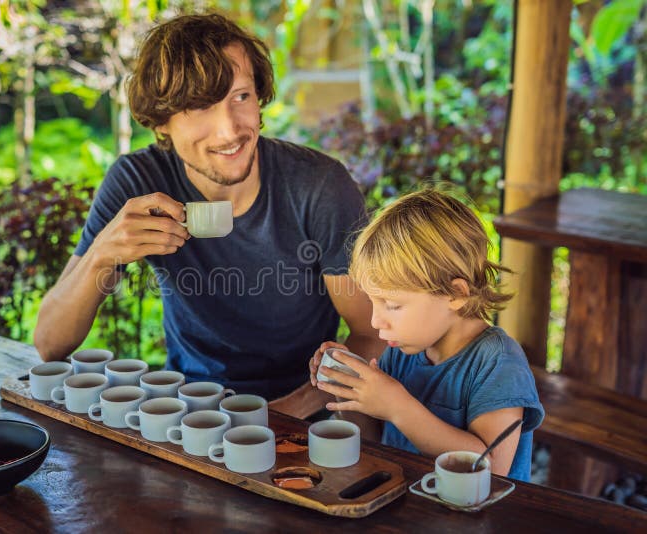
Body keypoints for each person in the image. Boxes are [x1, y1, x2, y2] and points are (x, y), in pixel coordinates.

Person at [34, 13, 384, 417]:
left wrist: (286, 413)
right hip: (187, 412)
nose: (229, 130)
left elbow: (370, 333)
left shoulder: (319, 186)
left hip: (302, 411)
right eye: (200, 107)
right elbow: (49, 343)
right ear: (161, 122)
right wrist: (102, 254)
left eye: (240, 97)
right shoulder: (139, 182)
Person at [310, 188, 544, 480]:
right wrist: (349, 392)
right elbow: (374, 439)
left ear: (456, 294)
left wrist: (398, 407)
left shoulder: (498, 363)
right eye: (372, 301)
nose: (375, 320)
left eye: (393, 305)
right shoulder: (402, 350)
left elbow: (490, 467)